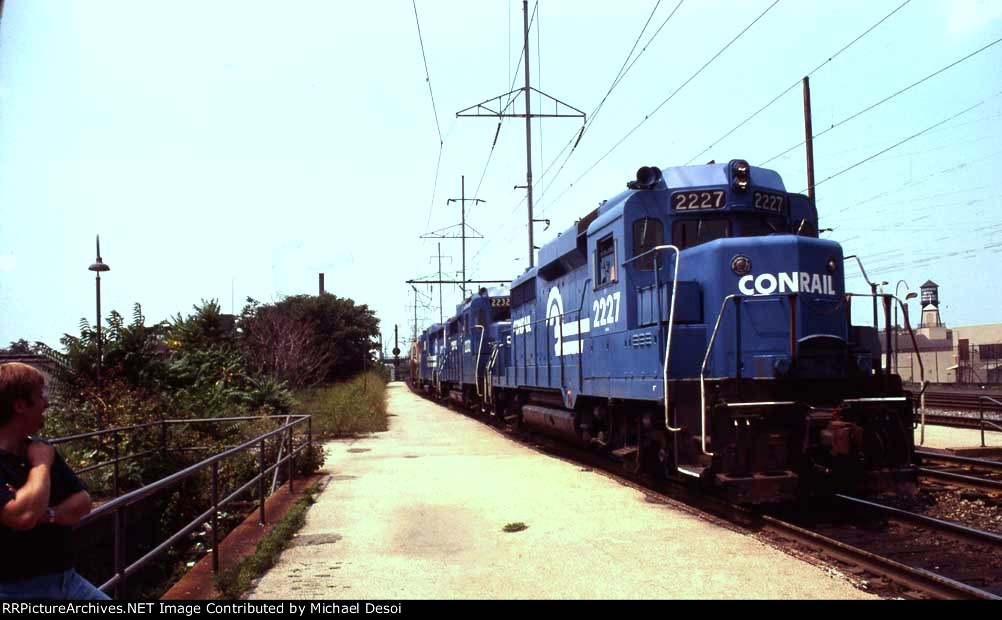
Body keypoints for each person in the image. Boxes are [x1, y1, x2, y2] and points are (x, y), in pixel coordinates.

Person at [0, 362, 108, 600]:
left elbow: (82, 502)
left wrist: (46, 513)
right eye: (39, 396)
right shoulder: (41, 455)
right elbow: (23, 516)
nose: (46, 403)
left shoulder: (39, 447)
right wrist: (40, 466)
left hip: (67, 581)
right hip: (14, 590)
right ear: (19, 405)